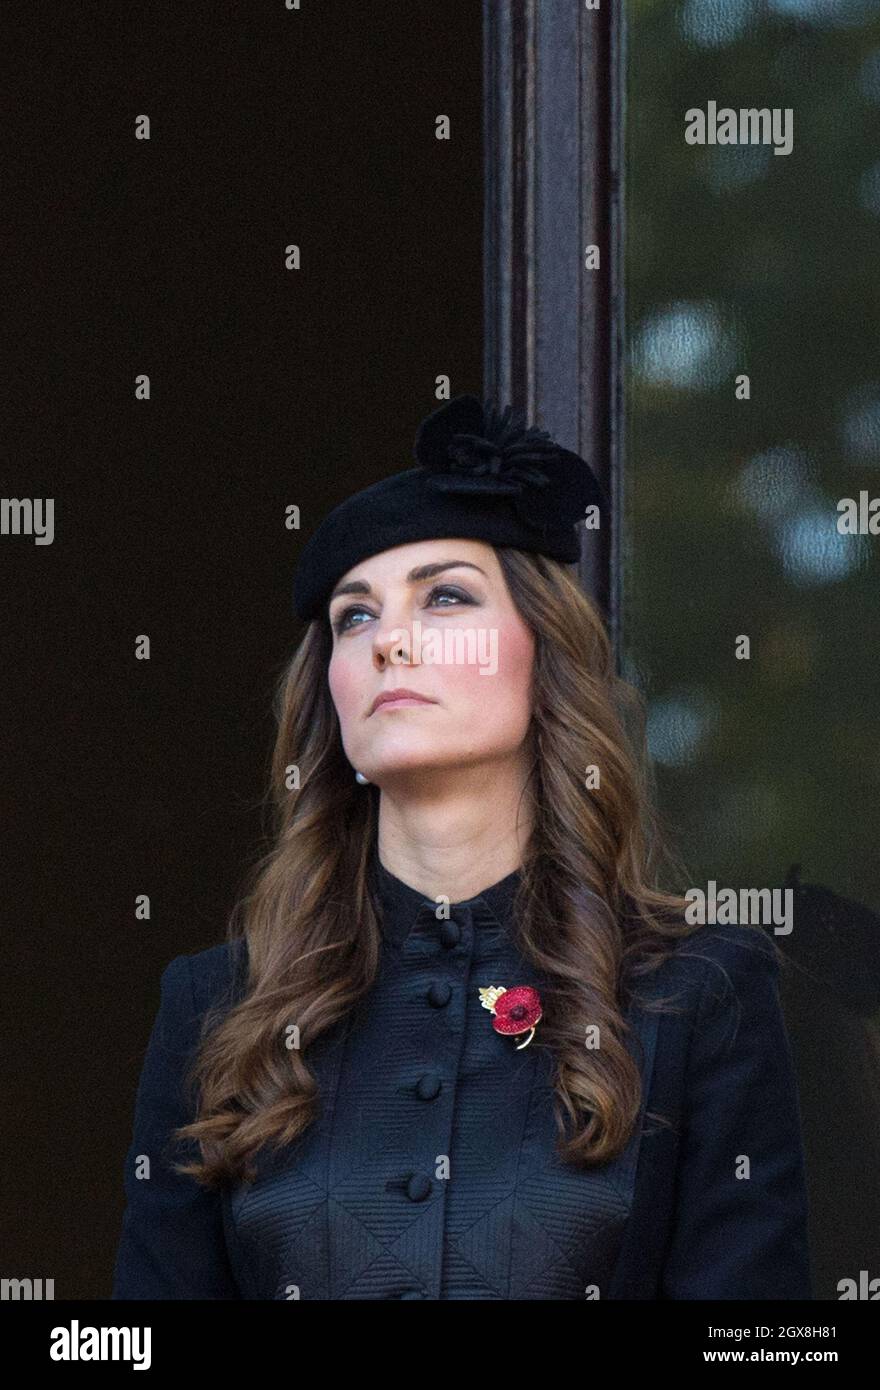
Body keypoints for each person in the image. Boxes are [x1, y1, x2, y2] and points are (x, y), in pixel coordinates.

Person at [112, 394, 812, 1300]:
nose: (389, 642)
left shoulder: (701, 994)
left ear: (543, 652)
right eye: (354, 617)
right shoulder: (216, 1008)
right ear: (331, 689)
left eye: (445, 597)